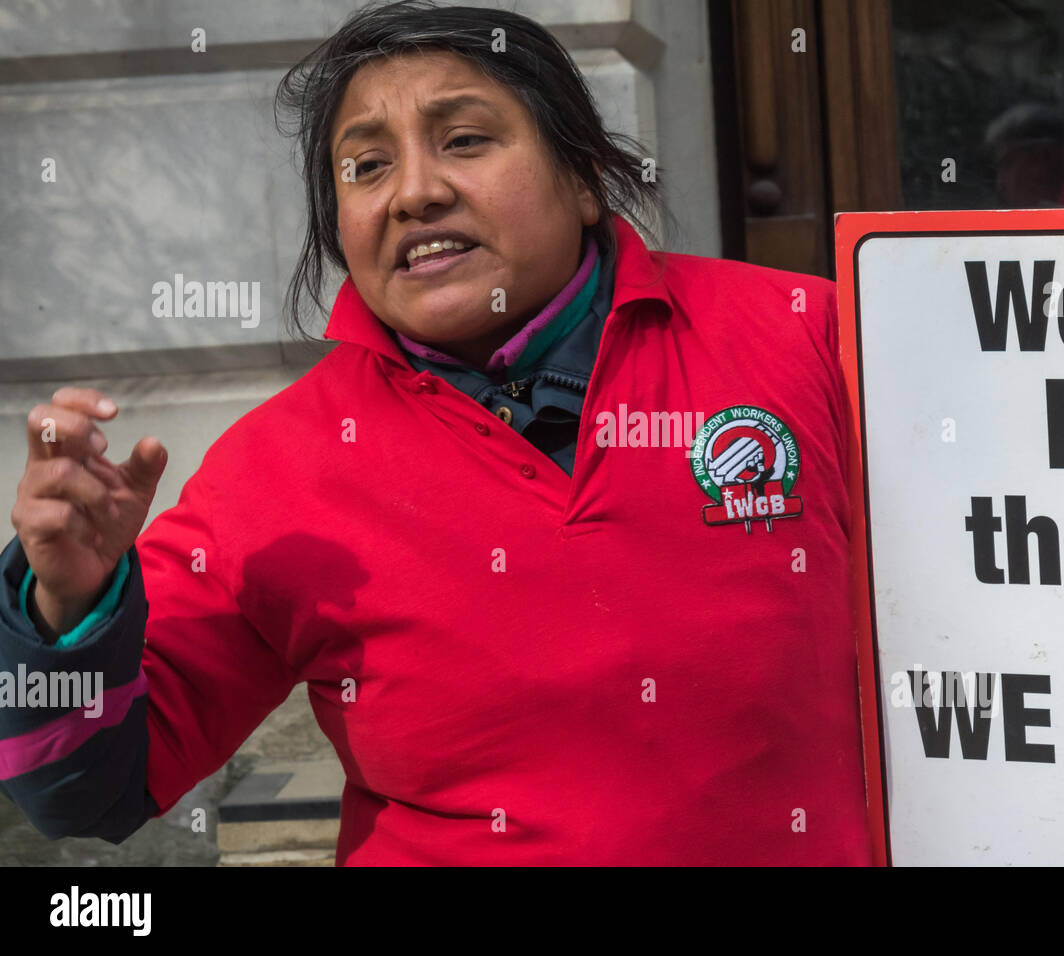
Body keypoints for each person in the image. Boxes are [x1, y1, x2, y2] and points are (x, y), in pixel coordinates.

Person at [1, 0, 871, 865]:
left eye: (465, 140)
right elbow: (81, 789)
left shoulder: (805, 335)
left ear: (584, 179)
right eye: (367, 166)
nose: (416, 193)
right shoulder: (277, 471)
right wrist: (67, 611)